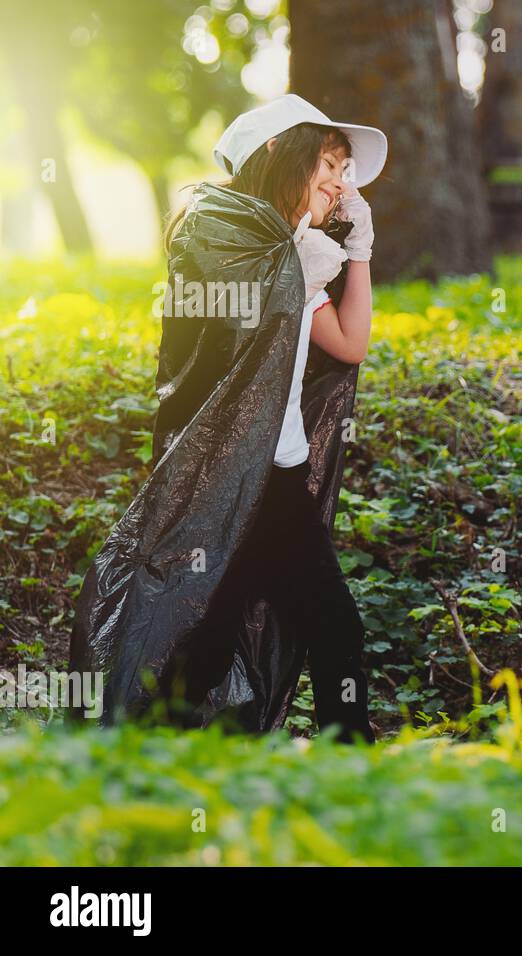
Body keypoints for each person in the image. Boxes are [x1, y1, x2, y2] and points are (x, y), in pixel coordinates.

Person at [137, 94, 383, 743]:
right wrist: (301, 263)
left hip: (278, 475)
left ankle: (157, 749)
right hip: (229, 477)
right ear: (278, 153)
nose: (338, 182)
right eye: (327, 164)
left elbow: (350, 345)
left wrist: (357, 251)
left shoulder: (298, 257)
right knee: (306, 623)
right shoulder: (223, 244)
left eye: (343, 171)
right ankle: (350, 764)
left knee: (227, 627)